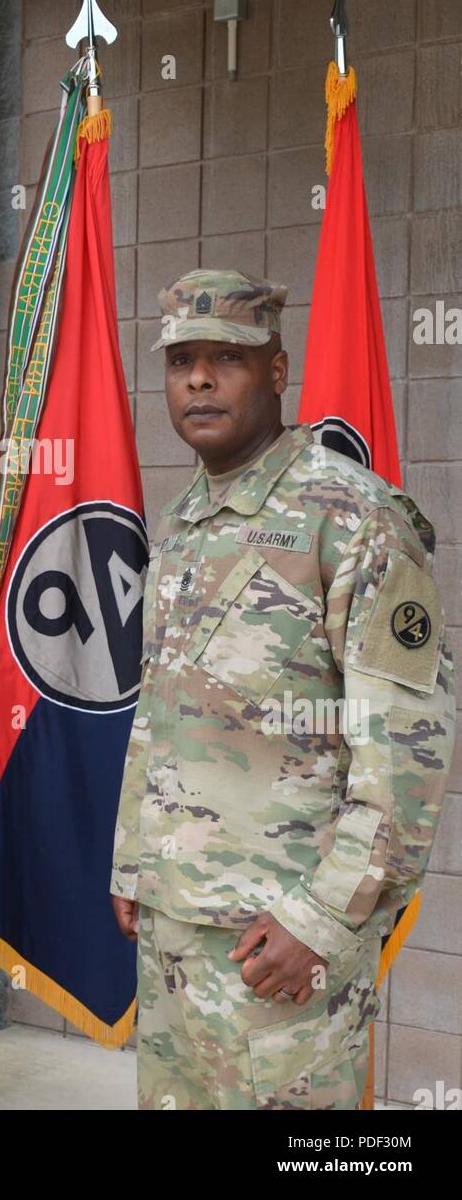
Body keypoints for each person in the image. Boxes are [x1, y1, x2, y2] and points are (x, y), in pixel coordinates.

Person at [111, 270, 455, 1110]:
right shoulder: (186, 518)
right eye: (180, 359)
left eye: (225, 357)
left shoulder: (353, 519)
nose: (197, 378)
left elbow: (405, 753)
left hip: (281, 947)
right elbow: (164, 711)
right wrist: (132, 860)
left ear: (274, 370)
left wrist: (325, 922)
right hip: (173, 931)